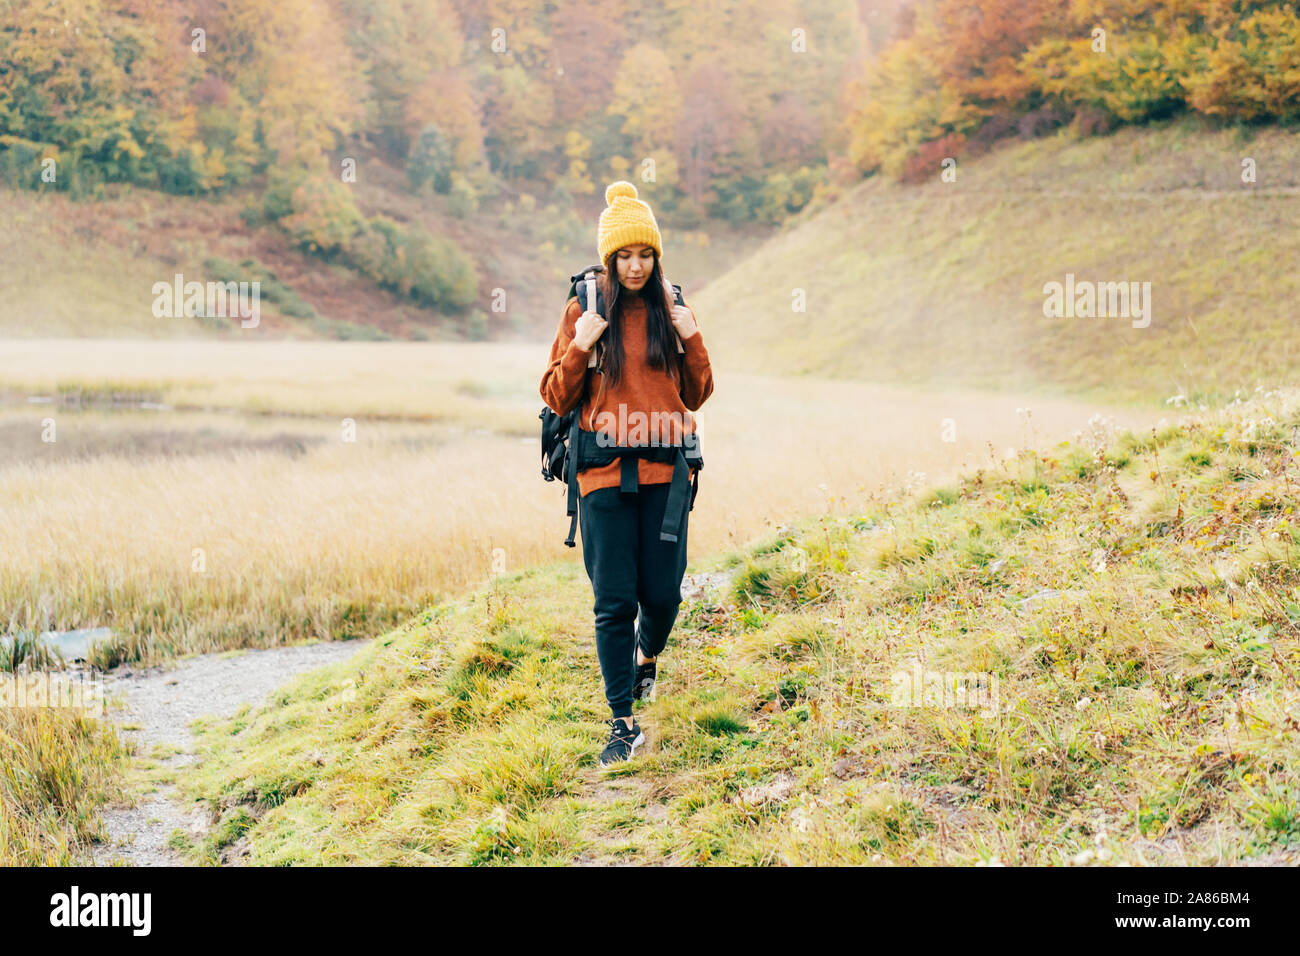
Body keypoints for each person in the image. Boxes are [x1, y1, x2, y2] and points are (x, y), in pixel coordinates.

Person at [539, 181, 715, 768]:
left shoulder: (672, 308)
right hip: (603, 477)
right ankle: (622, 723)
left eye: (644, 255)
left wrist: (692, 339)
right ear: (609, 259)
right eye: (624, 256)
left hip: (666, 476)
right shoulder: (583, 311)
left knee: (662, 596)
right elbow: (556, 397)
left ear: (656, 257)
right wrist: (579, 347)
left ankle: (648, 657)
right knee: (612, 602)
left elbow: (697, 393)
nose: (635, 266)